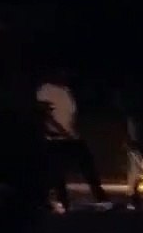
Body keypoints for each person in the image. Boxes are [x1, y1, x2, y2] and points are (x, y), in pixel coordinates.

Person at [37, 71, 108, 212]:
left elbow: (70, 114)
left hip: (71, 136)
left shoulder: (66, 90)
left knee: (87, 165)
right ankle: (63, 201)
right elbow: (45, 114)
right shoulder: (45, 90)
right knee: (57, 171)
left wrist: (72, 130)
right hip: (55, 138)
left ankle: (101, 198)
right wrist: (60, 131)